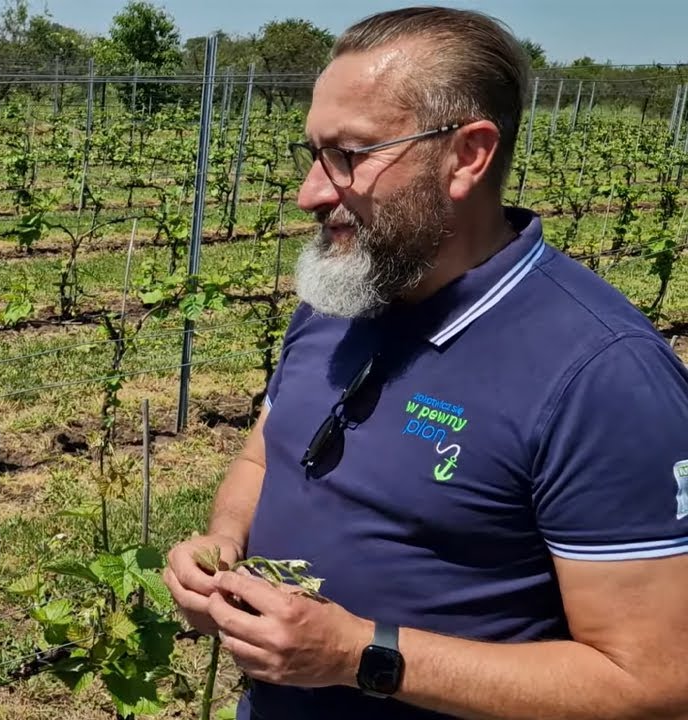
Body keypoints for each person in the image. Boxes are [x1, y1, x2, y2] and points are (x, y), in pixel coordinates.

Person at [163, 7, 688, 720]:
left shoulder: (602, 376)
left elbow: (654, 682)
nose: (310, 193)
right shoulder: (343, 291)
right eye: (312, 153)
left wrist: (360, 657)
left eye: (349, 153)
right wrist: (223, 546)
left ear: (467, 155)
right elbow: (269, 453)